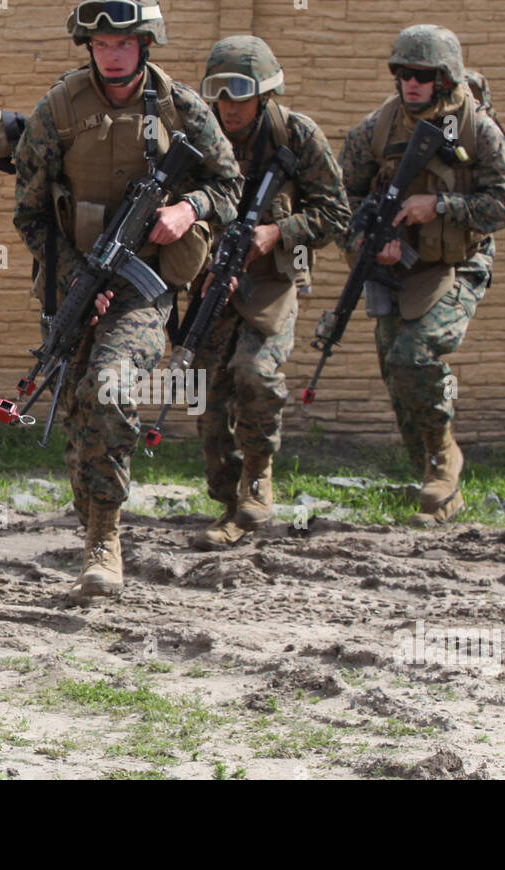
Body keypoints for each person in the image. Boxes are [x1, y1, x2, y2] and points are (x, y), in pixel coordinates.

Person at [13, 1, 242, 597]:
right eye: (101, 44)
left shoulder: (180, 108)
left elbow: (229, 185)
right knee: (79, 409)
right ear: (88, 47)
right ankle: (90, 519)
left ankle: (104, 540)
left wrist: (190, 207)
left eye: (124, 43)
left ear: (145, 44)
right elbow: (30, 214)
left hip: (146, 287)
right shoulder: (58, 109)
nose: (112, 54)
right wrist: (73, 287)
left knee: (110, 388)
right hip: (75, 284)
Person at [339, 24, 505, 525]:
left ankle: (444, 461)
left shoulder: (475, 128)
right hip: (399, 267)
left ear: (444, 79)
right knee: (398, 377)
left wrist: (438, 205)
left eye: (422, 75)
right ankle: (438, 488)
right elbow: (338, 204)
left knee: (415, 355)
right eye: (402, 73)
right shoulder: (377, 129)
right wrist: (373, 245)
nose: (410, 83)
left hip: (460, 262)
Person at [190, 36, 350, 549]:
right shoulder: (195, 133)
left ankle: (255, 488)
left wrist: (277, 233)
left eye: (241, 95)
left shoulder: (297, 136)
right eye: (220, 95)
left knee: (256, 376)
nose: (229, 108)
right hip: (211, 278)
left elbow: (335, 214)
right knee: (204, 393)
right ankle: (227, 497)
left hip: (273, 282)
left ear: (264, 94)